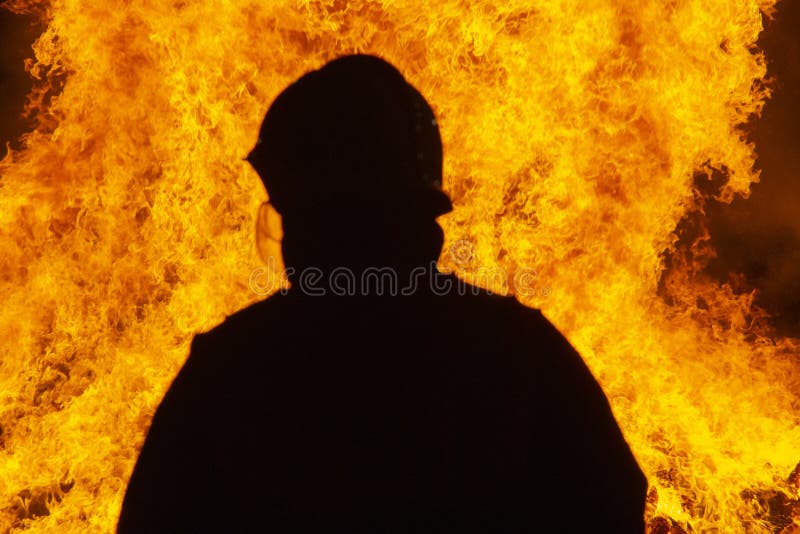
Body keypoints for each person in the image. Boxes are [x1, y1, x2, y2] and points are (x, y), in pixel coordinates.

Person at [117, 54, 647, 533]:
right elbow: (609, 498)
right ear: (420, 212)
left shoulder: (234, 366)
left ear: (301, 218)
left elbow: (154, 517)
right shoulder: (519, 350)